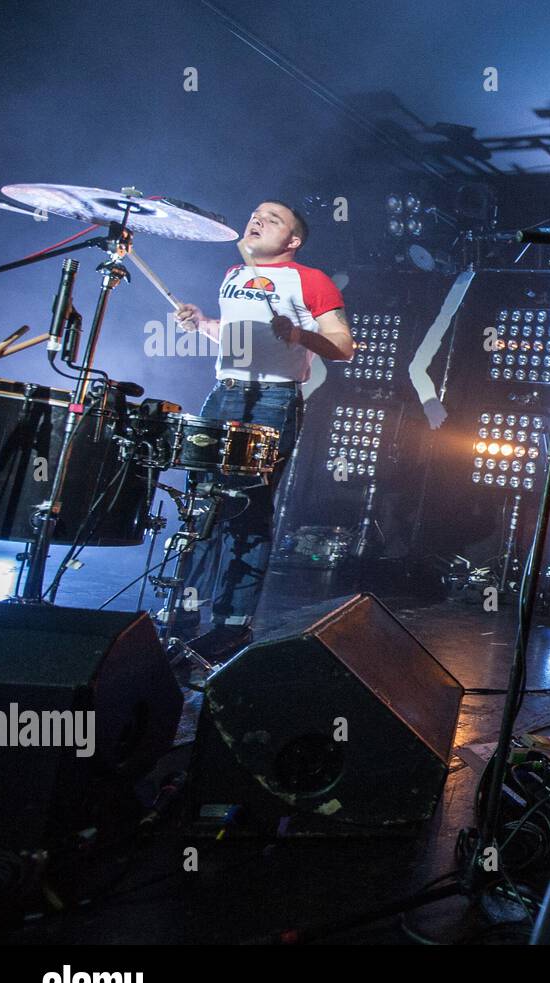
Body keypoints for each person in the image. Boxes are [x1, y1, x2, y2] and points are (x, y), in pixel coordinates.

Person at [170, 200, 354, 662]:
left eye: (272, 220)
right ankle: (182, 617)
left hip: (272, 400)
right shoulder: (232, 273)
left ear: (292, 241)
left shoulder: (310, 280)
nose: (257, 220)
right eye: (255, 214)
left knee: (244, 510)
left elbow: (344, 347)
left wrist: (299, 336)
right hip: (224, 392)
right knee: (202, 509)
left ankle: (231, 626)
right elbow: (238, 339)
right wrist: (204, 325)